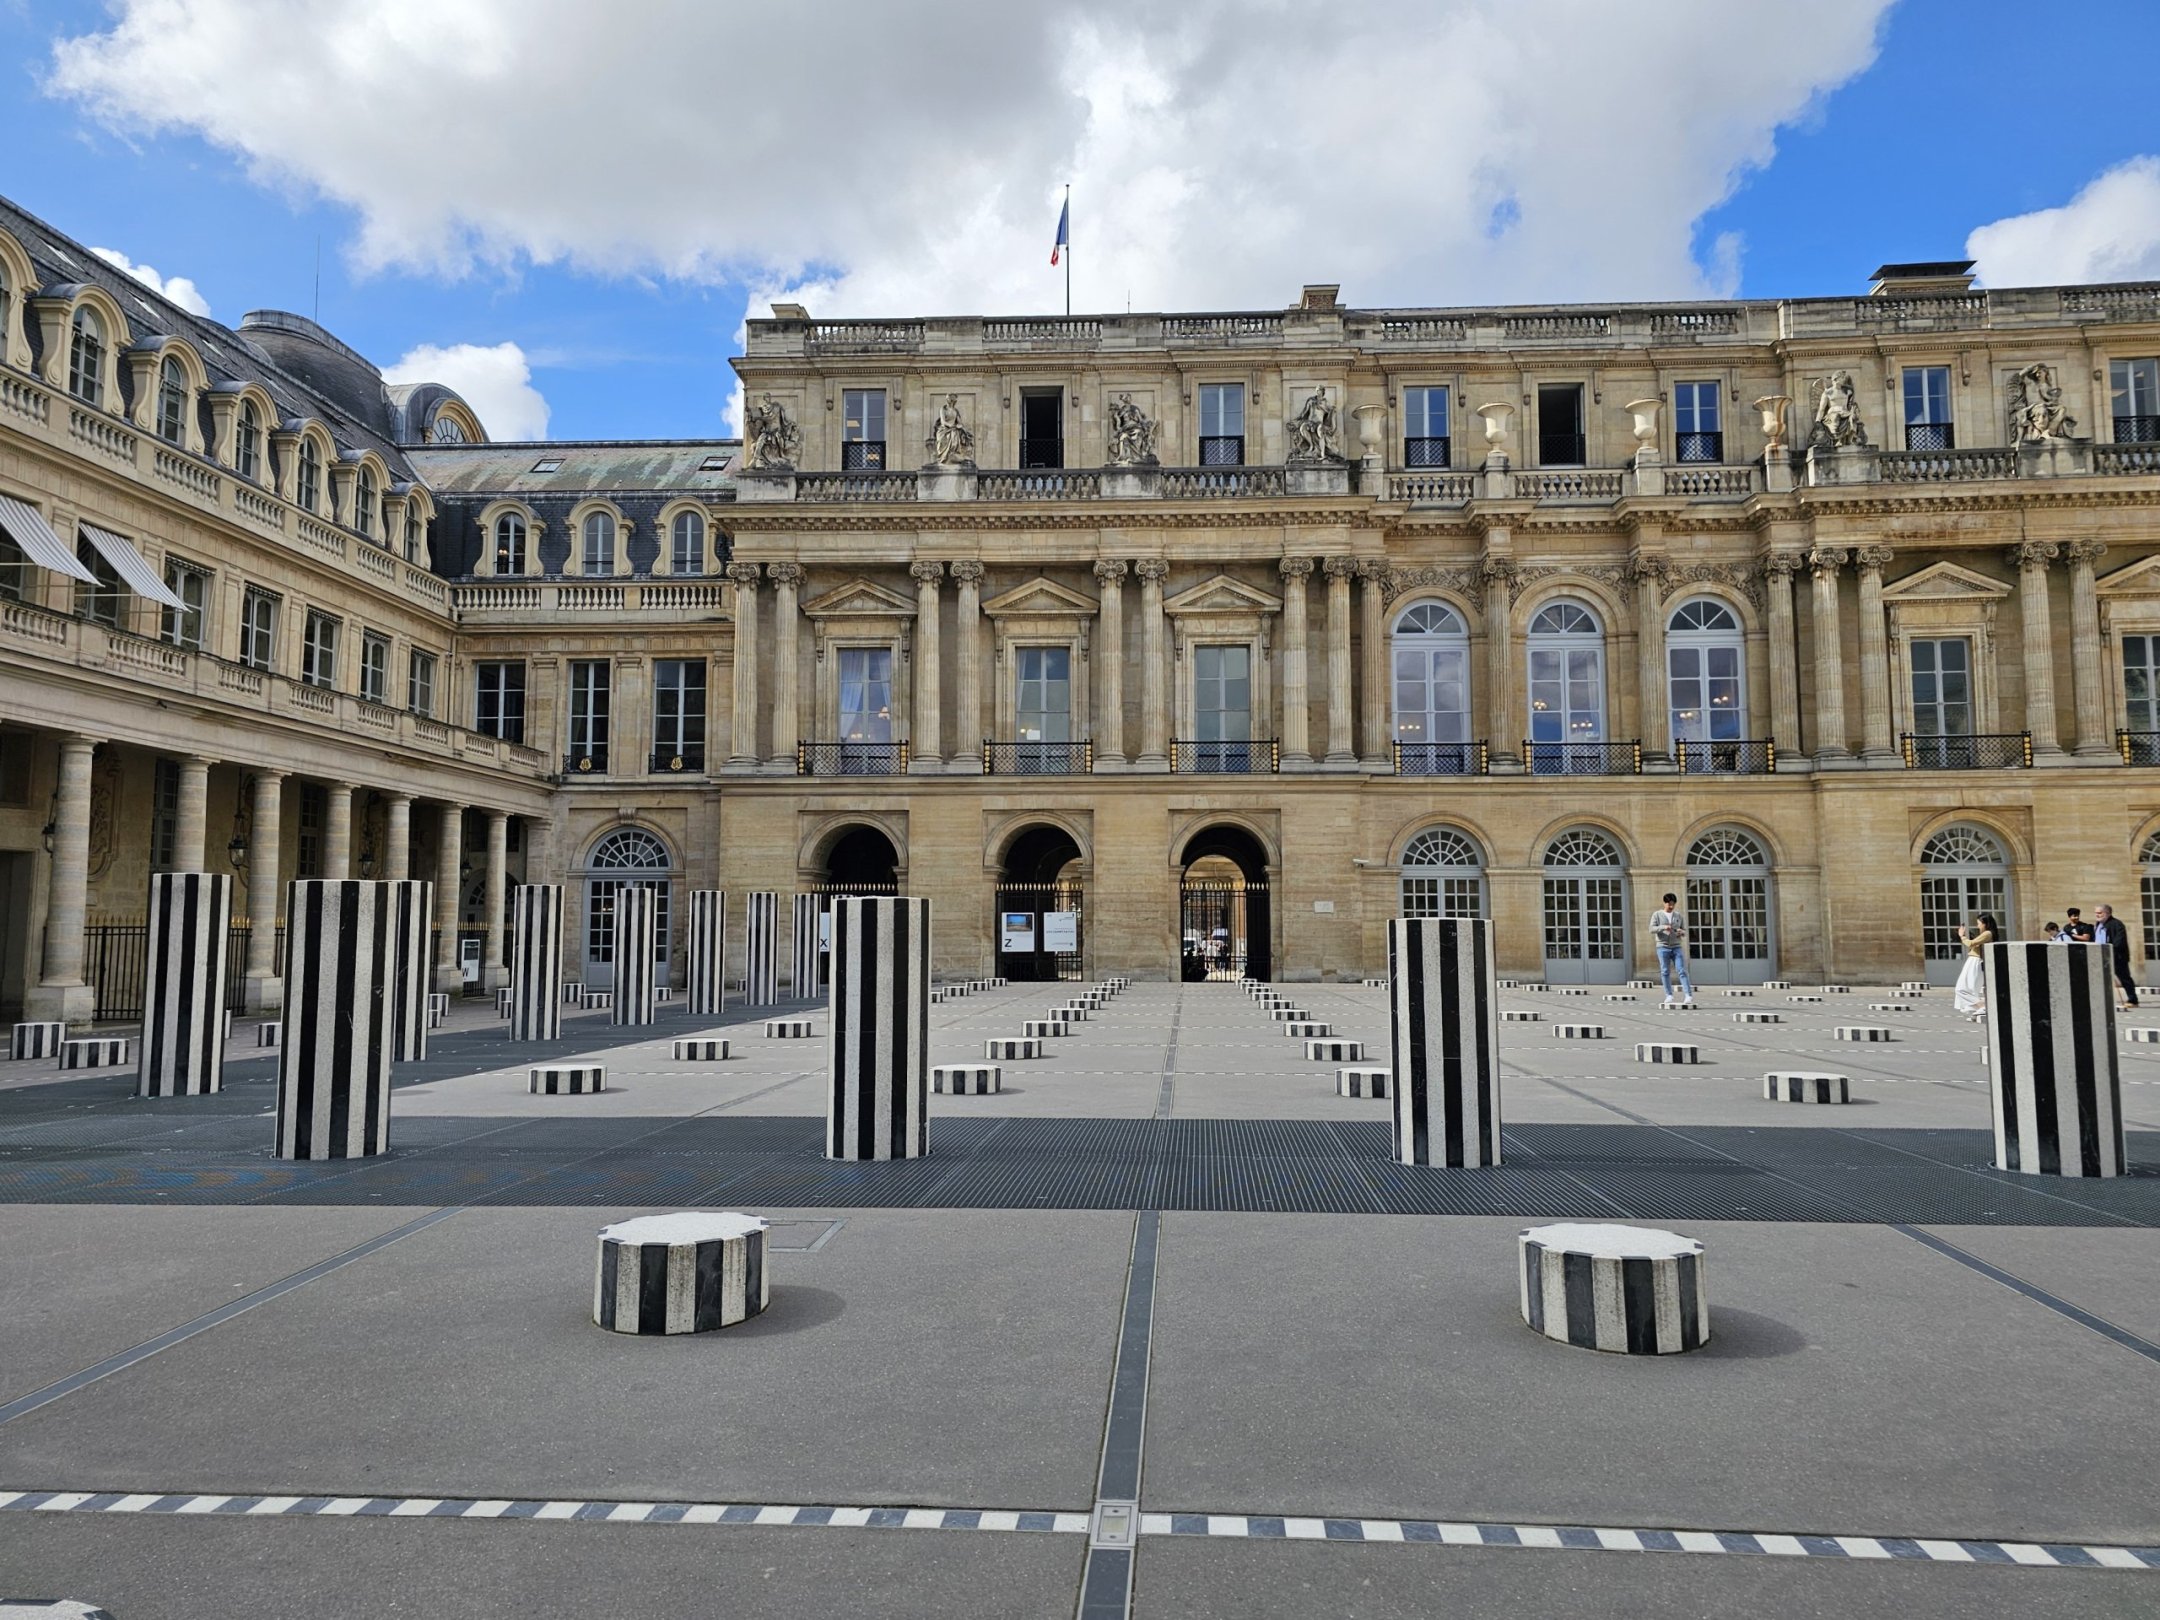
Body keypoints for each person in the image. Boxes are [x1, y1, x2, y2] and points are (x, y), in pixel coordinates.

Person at [1650, 892, 1694, 1007]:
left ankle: (1688, 995)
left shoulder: (1678, 916)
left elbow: (1684, 930)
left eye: (1673, 904)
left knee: (1682, 970)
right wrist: (1664, 927)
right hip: (1662, 946)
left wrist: (1681, 932)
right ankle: (1669, 995)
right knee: (1665, 971)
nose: (1671, 906)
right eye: (1669, 904)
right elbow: (1651, 928)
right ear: (1664, 903)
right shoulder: (1657, 914)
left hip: (1676, 946)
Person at [2093, 904, 2141, 1011]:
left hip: (2117, 957)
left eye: (2099, 913)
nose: (2097, 915)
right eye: (2096, 913)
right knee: (2098, 979)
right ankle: (2100, 1000)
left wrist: (2109, 950)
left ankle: (2133, 1000)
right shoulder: (2098, 924)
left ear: (2107, 913)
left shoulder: (2117, 924)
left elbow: (2119, 941)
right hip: (2100, 956)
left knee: (2124, 978)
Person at [1953, 912, 1996, 1019]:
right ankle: (1978, 1009)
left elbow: (1971, 944)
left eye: (1979, 923)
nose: (1978, 926)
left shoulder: (1988, 934)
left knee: (1961, 989)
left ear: (1985, 923)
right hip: (1973, 960)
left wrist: (1962, 936)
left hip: (1975, 961)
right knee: (1970, 989)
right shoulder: (1985, 934)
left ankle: (1983, 1006)